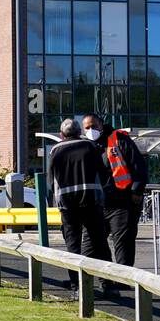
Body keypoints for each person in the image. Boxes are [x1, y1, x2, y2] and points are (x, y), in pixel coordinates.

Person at [50, 118, 112, 294]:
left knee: (73, 245)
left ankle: (78, 286)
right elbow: (103, 172)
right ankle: (107, 283)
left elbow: (51, 180)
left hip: (67, 205)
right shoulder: (90, 147)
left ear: (62, 135)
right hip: (91, 200)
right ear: (79, 132)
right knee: (100, 242)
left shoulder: (55, 150)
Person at [83, 114, 148, 281]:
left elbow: (139, 167)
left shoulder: (119, 140)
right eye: (87, 128)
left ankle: (122, 281)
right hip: (97, 204)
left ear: (101, 125)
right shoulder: (88, 146)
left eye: (94, 126)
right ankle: (90, 280)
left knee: (123, 243)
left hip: (121, 201)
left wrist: (136, 191)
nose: (91, 130)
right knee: (90, 244)